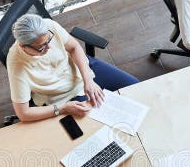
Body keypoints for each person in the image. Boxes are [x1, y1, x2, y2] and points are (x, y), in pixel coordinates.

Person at [7, 14, 139, 122]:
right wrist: (62, 109)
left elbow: (74, 47)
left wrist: (88, 80)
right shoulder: (16, 65)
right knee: (97, 123)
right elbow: (23, 113)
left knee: (135, 87)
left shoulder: (49, 26)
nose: (49, 47)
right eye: (42, 47)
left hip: (84, 72)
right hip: (63, 96)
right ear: (23, 46)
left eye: (49, 40)